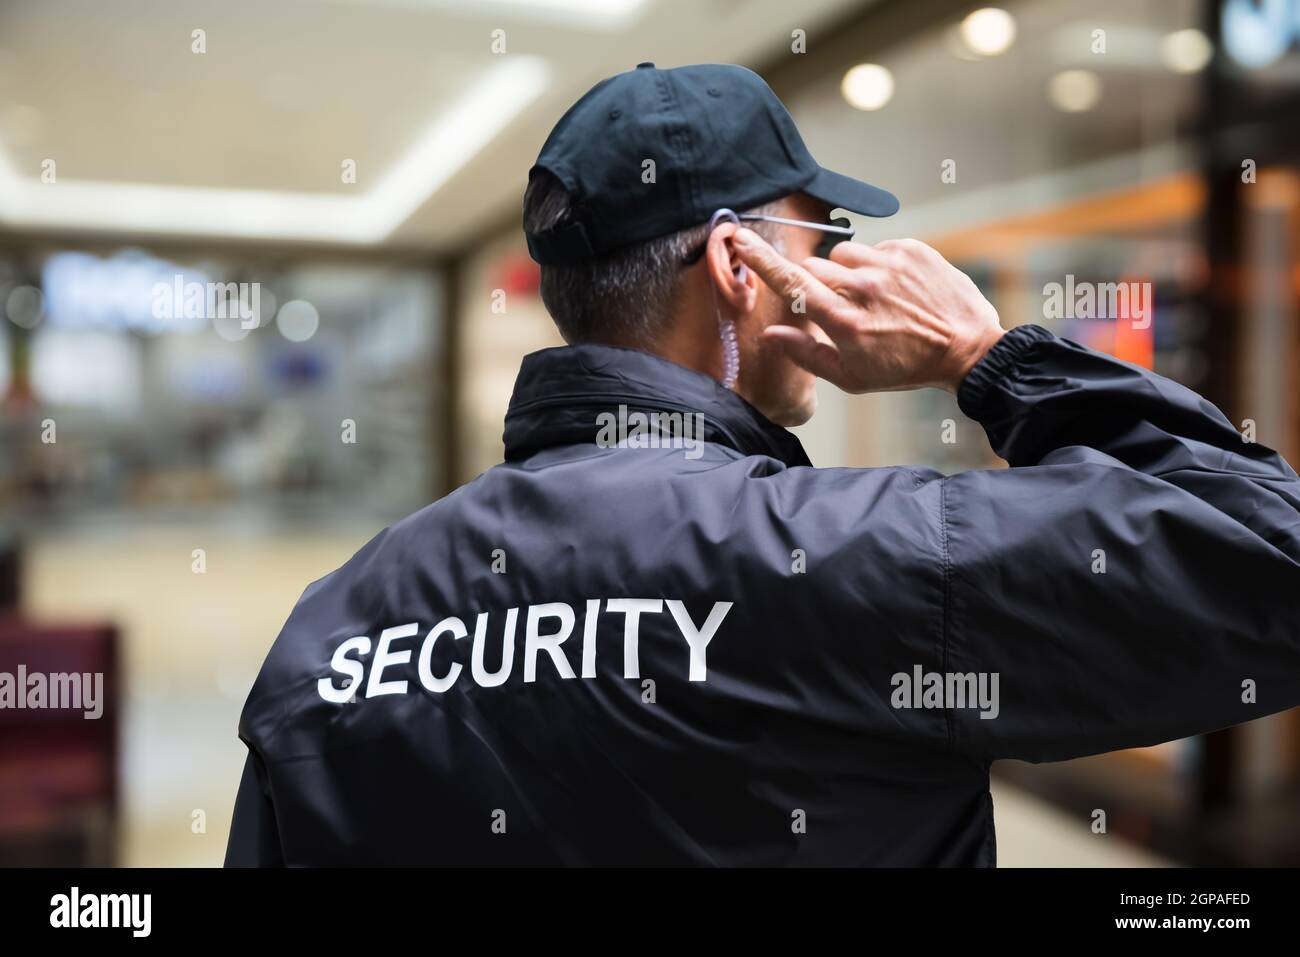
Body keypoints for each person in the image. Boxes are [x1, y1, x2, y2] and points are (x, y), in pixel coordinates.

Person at [226, 63, 1300, 866]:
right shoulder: (856, 559)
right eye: (818, 233)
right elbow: (1272, 555)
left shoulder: (338, 623)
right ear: (741, 265)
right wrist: (991, 359)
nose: (836, 260)